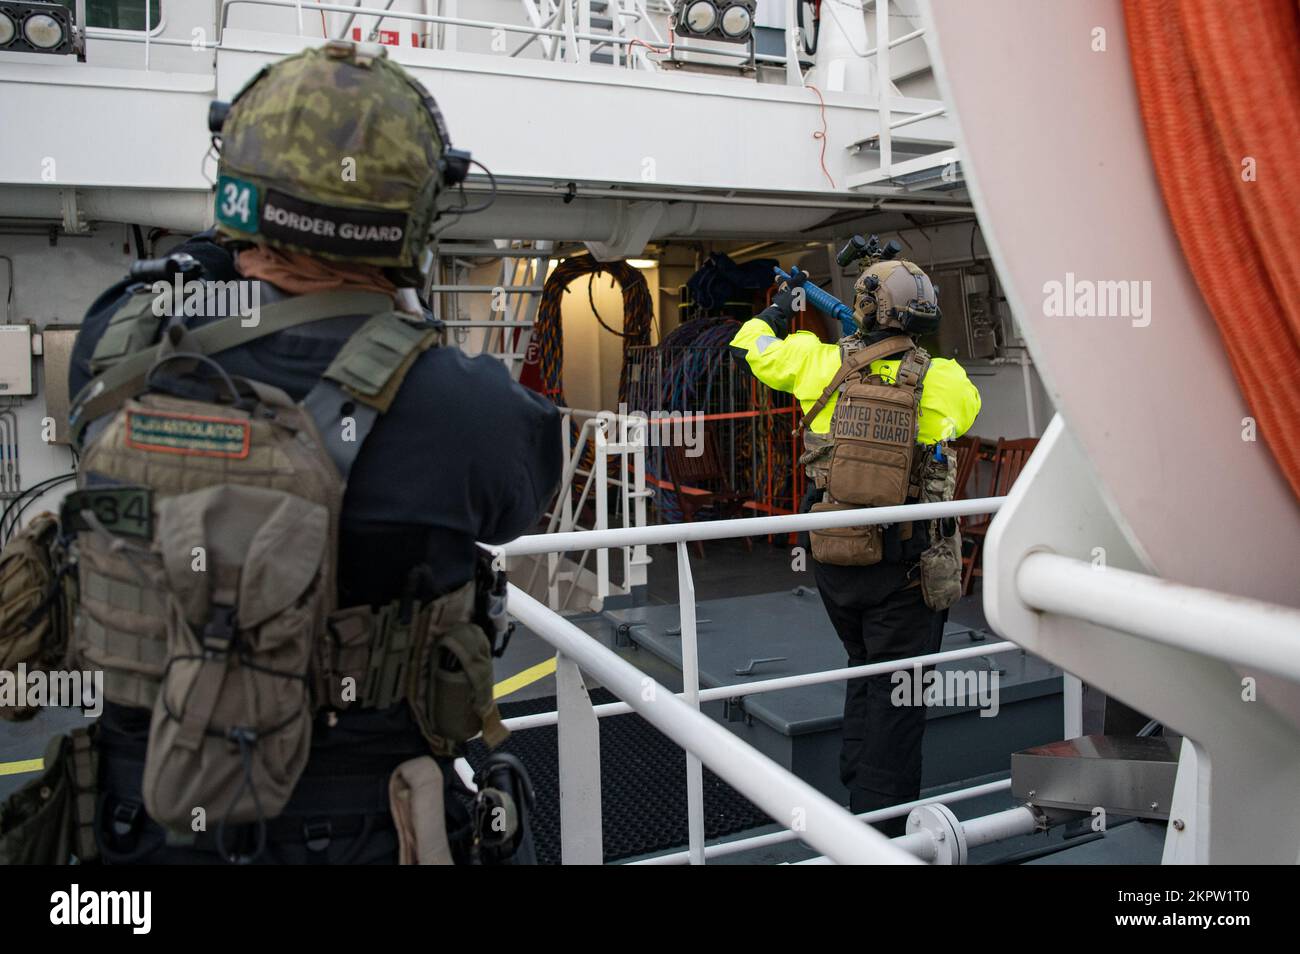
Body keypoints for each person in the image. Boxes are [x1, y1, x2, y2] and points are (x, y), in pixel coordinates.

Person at [58, 40, 562, 864]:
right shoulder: (464, 406)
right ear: (417, 216)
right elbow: (517, 500)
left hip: (131, 825)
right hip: (362, 827)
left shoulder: (116, 346)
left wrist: (240, 234)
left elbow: (176, 274)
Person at [729, 244, 980, 836]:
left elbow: (751, 347)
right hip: (906, 567)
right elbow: (960, 414)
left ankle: (855, 792)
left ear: (864, 314)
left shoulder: (816, 364)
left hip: (836, 558)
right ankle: (882, 829)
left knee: (863, 668)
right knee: (902, 695)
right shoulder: (944, 381)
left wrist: (781, 310)